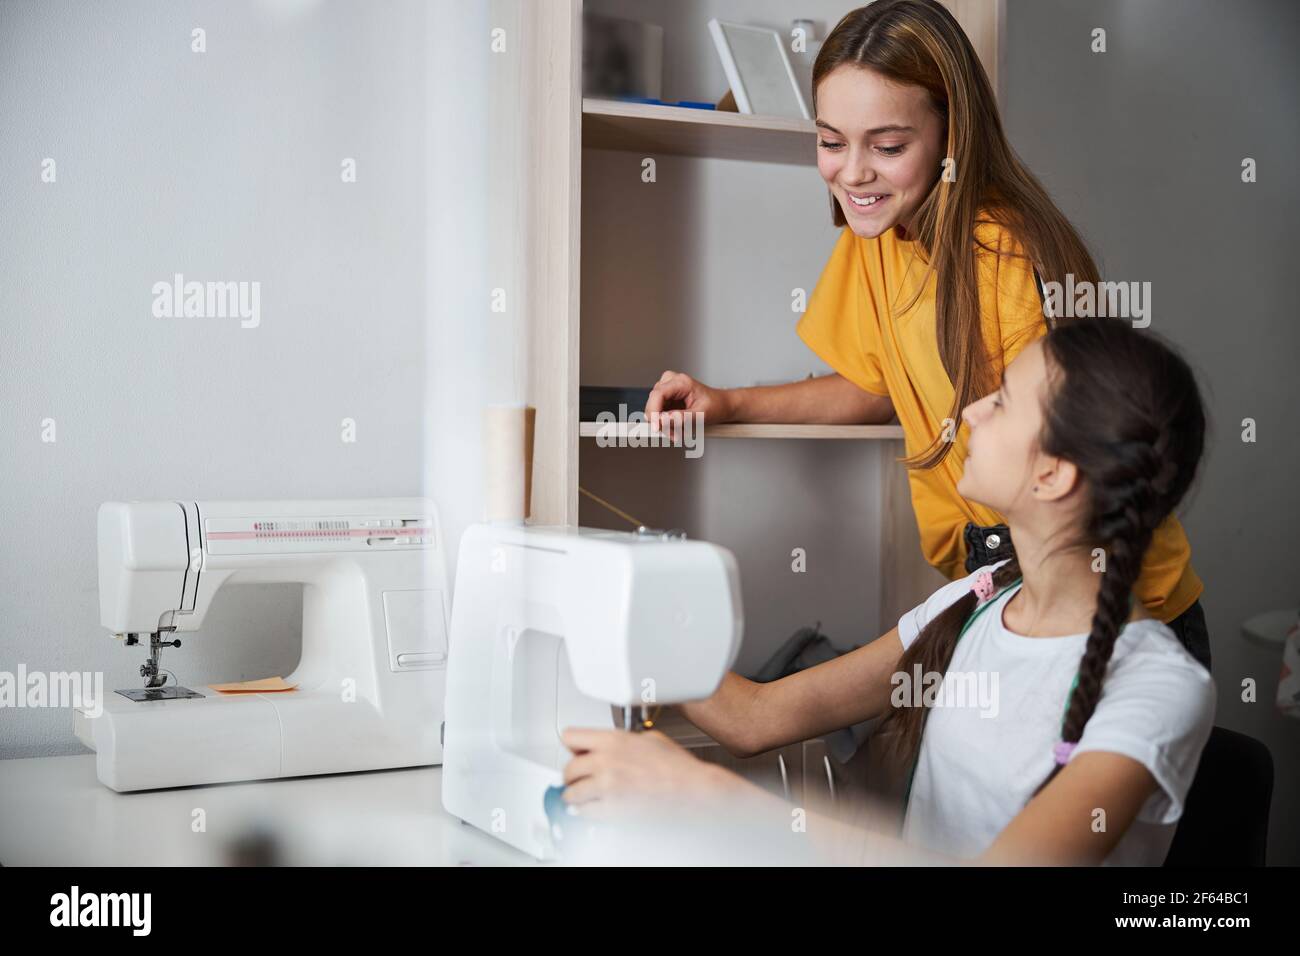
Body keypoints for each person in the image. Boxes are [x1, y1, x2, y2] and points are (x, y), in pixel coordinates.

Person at [643, 0, 1209, 669]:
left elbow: (1060, 467)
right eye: (830, 141)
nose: (853, 172)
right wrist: (729, 403)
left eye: (887, 147)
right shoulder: (882, 235)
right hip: (1001, 581)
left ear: (950, 132)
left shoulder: (1004, 256)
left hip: (1102, 601)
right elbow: (871, 384)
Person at [564, 319, 1215, 866]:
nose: (970, 411)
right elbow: (752, 719)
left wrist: (700, 793)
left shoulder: (1158, 689)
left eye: (1004, 401)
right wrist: (607, 596)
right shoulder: (977, 601)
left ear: (1052, 474)